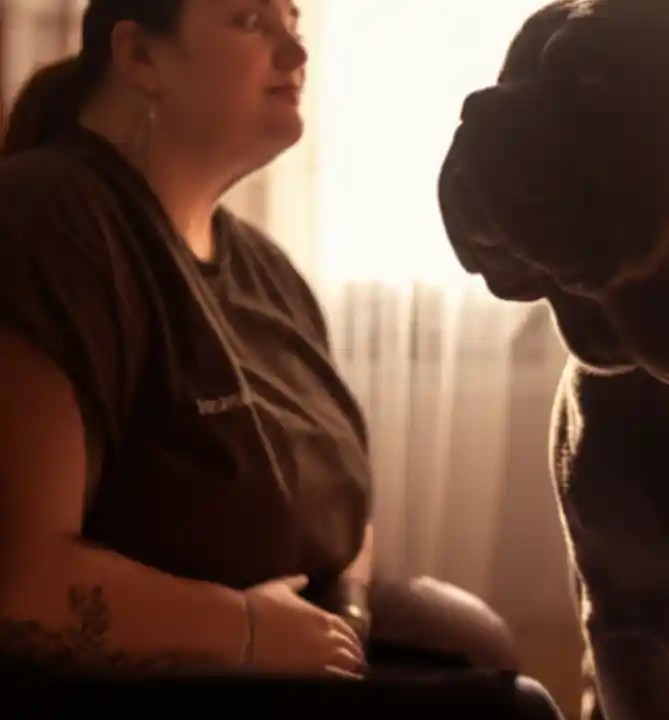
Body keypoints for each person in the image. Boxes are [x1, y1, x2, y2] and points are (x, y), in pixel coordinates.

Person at [0, 1, 561, 716]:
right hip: (151, 678)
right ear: (140, 57)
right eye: (249, 21)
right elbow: (24, 586)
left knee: (482, 648)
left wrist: (347, 617)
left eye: (293, 24)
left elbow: (345, 506)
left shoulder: (267, 270)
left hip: (303, 643)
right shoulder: (47, 223)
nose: (297, 53)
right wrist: (246, 631)